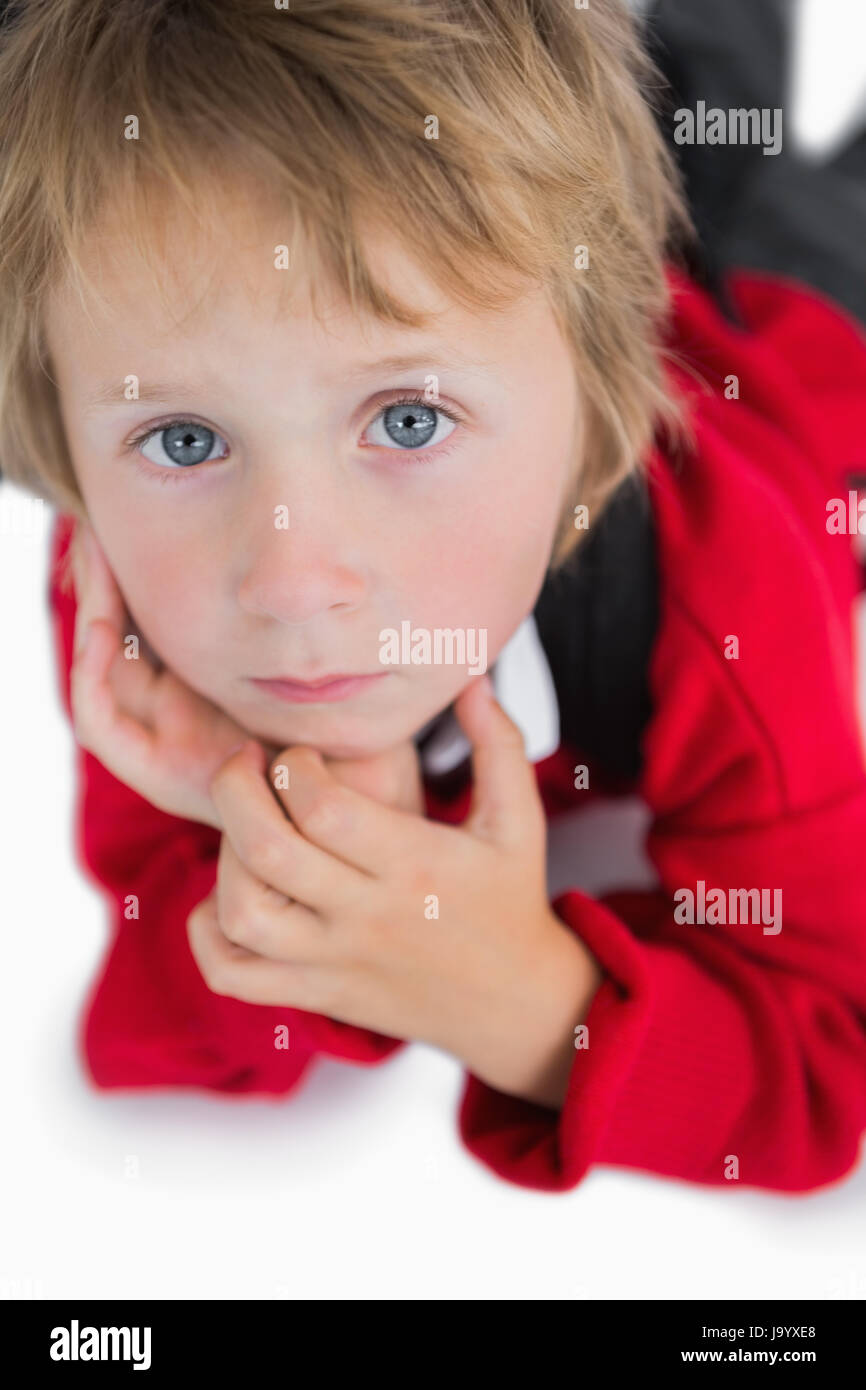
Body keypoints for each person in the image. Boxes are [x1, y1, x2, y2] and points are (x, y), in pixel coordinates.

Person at [2, 0, 865, 1194]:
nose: (295, 586)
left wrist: (521, 999)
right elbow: (147, 1030)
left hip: (805, 334)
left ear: (595, 426)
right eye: (186, 439)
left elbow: (823, 1073)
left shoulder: (727, 586)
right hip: (573, 257)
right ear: (63, 454)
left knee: (745, 118)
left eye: (408, 420)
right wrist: (275, 822)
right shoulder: (126, 601)